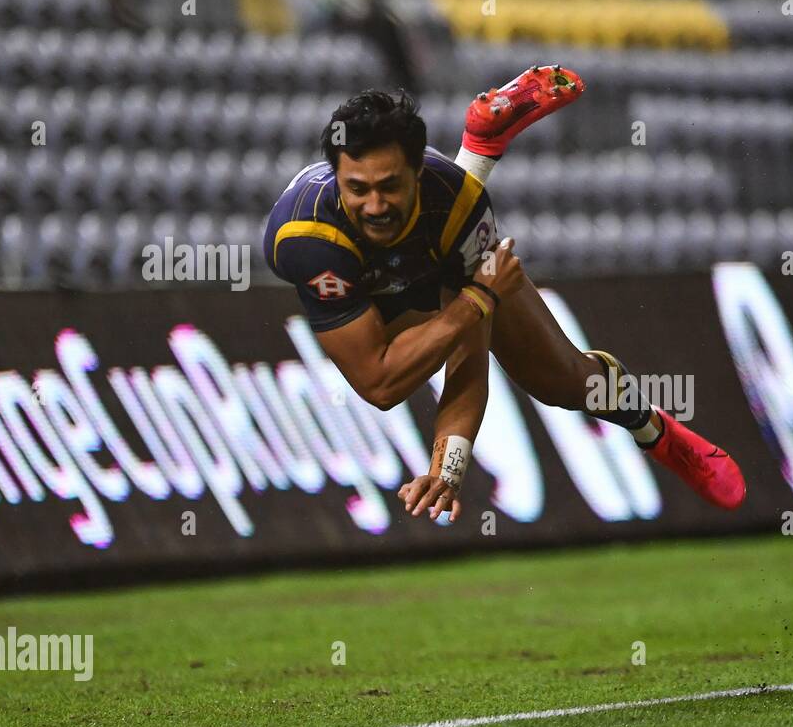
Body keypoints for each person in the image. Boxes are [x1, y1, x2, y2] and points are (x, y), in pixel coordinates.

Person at [262, 67, 747, 522]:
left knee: (563, 383)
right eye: (357, 188)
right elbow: (380, 385)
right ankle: (480, 145)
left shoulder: (458, 207)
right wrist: (477, 299)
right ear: (337, 176)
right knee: (402, 360)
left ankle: (654, 429)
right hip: (376, 281)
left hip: (443, 246)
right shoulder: (309, 242)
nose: (374, 205)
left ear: (417, 173)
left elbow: (468, 360)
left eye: (390, 186)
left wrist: (447, 468)